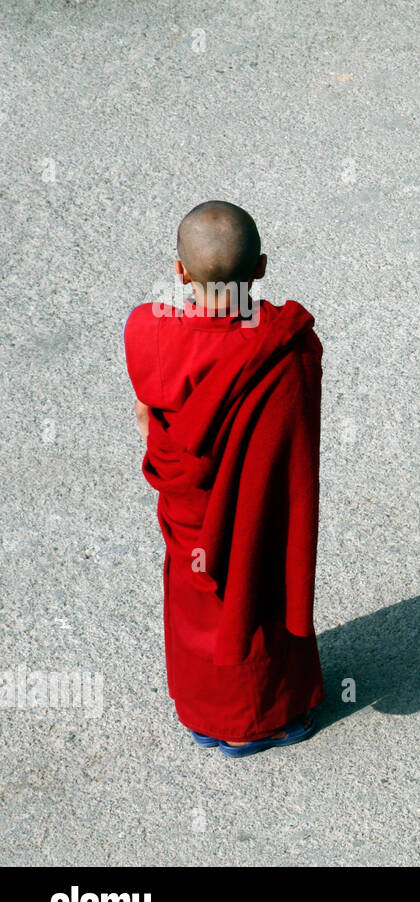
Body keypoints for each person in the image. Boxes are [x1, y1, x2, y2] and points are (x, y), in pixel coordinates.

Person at [124, 200, 324, 757]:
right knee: (256, 582)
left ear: (180, 271)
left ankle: (208, 718)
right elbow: (290, 445)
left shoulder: (147, 331)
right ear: (260, 267)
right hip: (255, 504)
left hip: (189, 505)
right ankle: (271, 718)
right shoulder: (286, 345)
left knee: (198, 596)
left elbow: (147, 416)